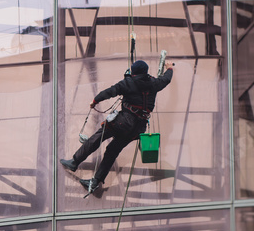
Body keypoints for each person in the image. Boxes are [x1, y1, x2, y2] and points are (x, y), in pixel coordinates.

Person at [60, 59, 175, 193]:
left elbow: (110, 91)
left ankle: (75, 162)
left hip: (123, 121)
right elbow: (166, 79)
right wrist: (170, 68)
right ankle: (95, 182)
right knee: (112, 151)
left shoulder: (128, 83)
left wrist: (95, 100)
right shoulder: (155, 83)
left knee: (99, 136)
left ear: (133, 72)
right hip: (138, 129)